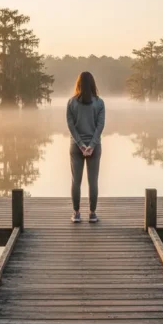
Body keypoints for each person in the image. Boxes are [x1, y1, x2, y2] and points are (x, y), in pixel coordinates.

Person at [66, 71, 105, 223]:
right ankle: (92, 214)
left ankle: (76, 214)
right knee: (93, 181)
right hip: (94, 148)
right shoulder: (99, 103)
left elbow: (70, 126)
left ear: (78, 84)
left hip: (75, 147)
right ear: (93, 84)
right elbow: (100, 125)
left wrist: (81, 145)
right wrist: (91, 145)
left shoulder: (71, 102)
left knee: (76, 181)